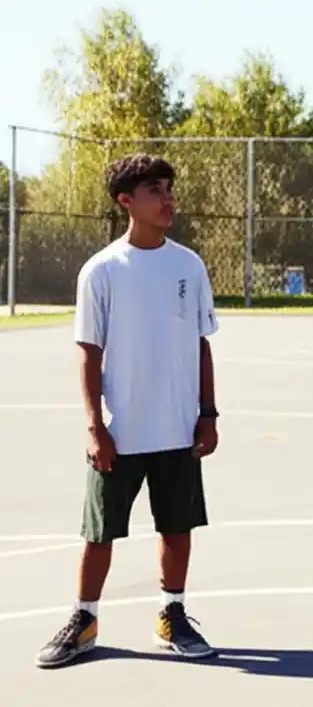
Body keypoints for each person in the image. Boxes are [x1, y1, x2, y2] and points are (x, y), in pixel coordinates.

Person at [36, 154, 220, 668]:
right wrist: (95, 427)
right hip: (120, 432)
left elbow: (201, 344)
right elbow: (88, 352)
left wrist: (208, 414)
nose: (168, 199)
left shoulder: (189, 265)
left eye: (169, 189)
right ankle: (84, 620)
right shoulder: (102, 270)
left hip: (178, 428)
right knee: (99, 533)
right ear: (126, 201)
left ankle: (172, 615)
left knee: (177, 527)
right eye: (155, 190)